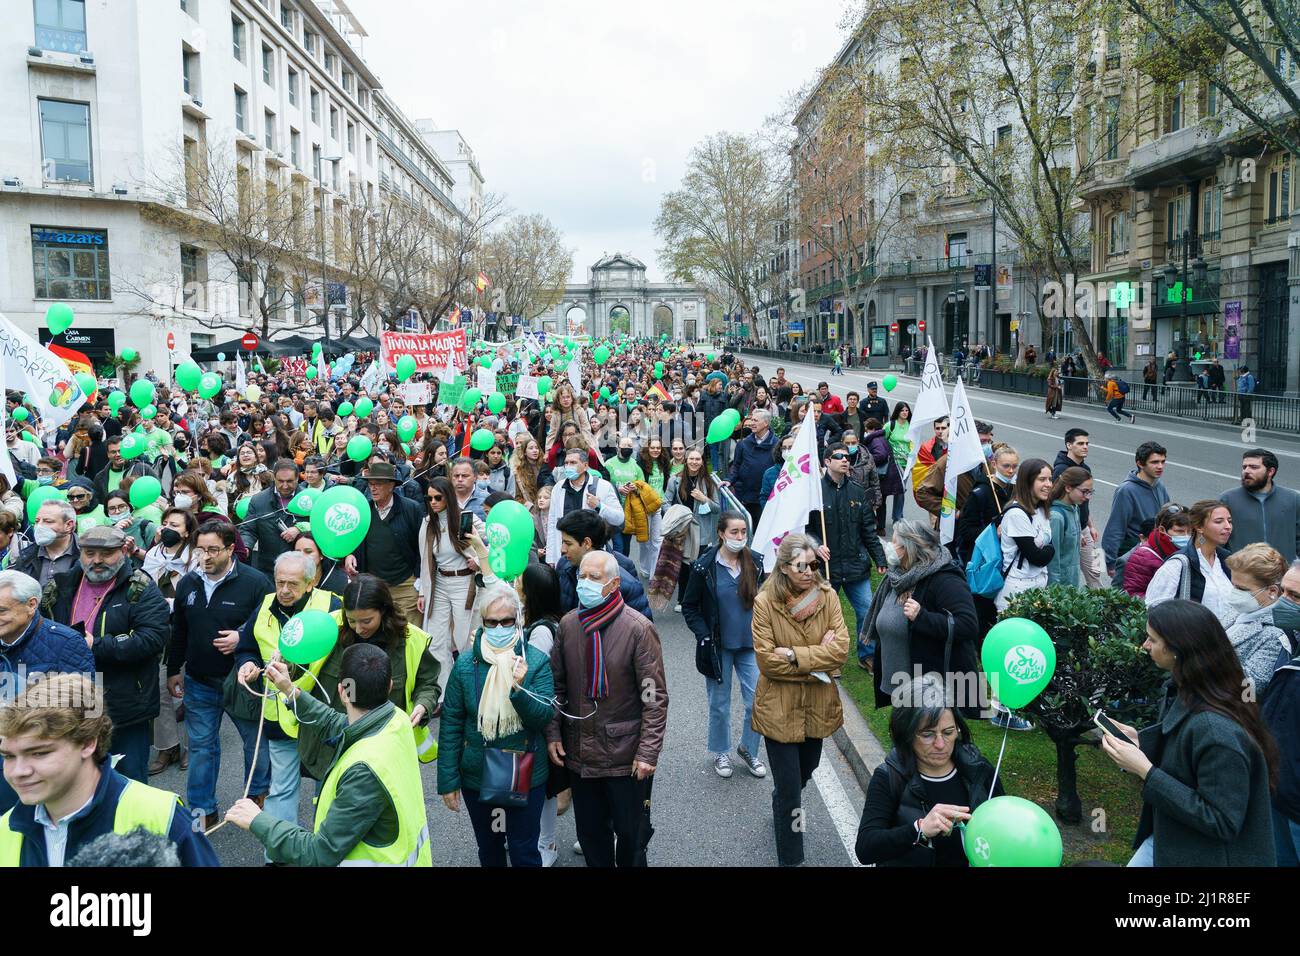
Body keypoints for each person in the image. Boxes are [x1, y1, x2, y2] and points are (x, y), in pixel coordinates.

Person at [1101, 600, 1278, 866]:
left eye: (1152, 639)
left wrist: (1146, 771)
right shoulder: (1195, 691)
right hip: (1174, 840)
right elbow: (1186, 752)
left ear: (1178, 650)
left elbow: (1221, 820)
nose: (1145, 646)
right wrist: (1142, 744)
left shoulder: (1217, 731)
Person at [224, 643, 433, 866]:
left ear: (342, 691)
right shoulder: (396, 718)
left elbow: (320, 853)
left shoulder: (364, 769)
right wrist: (288, 689)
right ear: (389, 686)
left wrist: (257, 820)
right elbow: (336, 722)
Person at [0, 673, 218, 866]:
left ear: (87, 743)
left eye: (39, 753)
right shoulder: (5, 829)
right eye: (9, 756)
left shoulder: (163, 816)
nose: (18, 771)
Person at [547, 550, 667, 868]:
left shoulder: (638, 629)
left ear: (614, 583)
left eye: (594, 578)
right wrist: (553, 732)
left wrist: (648, 753)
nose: (584, 584)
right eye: (580, 577)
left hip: (625, 757)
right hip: (580, 754)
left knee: (631, 835)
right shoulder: (569, 625)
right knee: (591, 836)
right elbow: (556, 686)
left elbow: (653, 698)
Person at [232, 550, 343, 858]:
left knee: (329, 788)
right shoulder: (266, 604)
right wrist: (248, 664)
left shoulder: (333, 606)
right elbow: (247, 646)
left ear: (311, 583)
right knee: (281, 789)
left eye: (292, 584)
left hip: (320, 716)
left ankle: (328, 854)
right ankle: (280, 858)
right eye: (279, 582)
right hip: (278, 715)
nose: (283, 590)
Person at [165, 520, 272, 829]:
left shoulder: (255, 583)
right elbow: (180, 631)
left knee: (255, 744)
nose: (206, 556)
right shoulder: (188, 583)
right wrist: (174, 670)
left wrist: (242, 636)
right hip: (199, 681)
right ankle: (202, 810)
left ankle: (255, 800)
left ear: (229, 549)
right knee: (201, 746)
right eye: (200, 550)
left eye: (213, 549)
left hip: (242, 682)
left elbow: (269, 626)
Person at [436, 585, 554, 867]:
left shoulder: (535, 662)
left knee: (524, 850)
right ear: (483, 623)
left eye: (506, 621)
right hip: (478, 776)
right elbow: (451, 724)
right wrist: (448, 781)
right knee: (489, 850)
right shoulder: (465, 665)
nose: (499, 627)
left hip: (525, 774)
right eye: (492, 622)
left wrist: (520, 690)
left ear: (519, 620)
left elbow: (543, 717)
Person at [41, 525, 169, 784]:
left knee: (128, 781)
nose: (97, 561)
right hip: (73, 704)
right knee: (79, 782)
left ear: (123, 551)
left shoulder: (141, 589)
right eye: (89, 553)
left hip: (124, 705)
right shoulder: (60, 587)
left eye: (106, 553)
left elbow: (152, 638)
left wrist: (95, 645)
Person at [751, 533, 848, 867]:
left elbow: (841, 651)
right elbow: (766, 661)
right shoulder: (765, 602)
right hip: (778, 709)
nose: (809, 572)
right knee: (792, 794)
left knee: (806, 772)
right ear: (784, 568)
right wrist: (817, 658)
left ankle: (781, 800)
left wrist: (793, 654)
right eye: (801, 566)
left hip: (816, 708)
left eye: (813, 565)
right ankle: (792, 859)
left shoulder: (828, 596)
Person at [854, 675, 1003, 866]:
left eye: (948, 732)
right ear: (906, 733)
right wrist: (920, 829)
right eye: (927, 734)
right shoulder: (888, 777)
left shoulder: (979, 770)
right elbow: (866, 848)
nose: (940, 744)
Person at [0, 570, 96, 814]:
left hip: (44, 769)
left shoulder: (66, 643)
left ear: (31, 605)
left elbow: (85, 712)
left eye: (2, 611)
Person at [682, 512, 768, 779]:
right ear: (721, 533)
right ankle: (721, 751)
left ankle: (748, 749)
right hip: (718, 647)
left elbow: (765, 600)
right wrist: (703, 635)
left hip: (750, 645)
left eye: (743, 532)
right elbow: (690, 606)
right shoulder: (703, 567)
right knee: (719, 704)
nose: (740, 537)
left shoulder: (755, 562)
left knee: (757, 701)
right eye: (734, 532)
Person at [863, 518, 980, 705]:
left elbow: (968, 626)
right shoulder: (897, 577)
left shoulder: (945, 579)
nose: (889, 547)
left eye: (895, 542)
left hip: (932, 690)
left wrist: (922, 617)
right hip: (900, 688)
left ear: (910, 547)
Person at [806, 441, 886, 667]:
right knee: (825, 615)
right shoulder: (815, 492)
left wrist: (879, 557)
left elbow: (868, 529)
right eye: (839, 456)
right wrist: (816, 545)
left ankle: (867, 654)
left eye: (847, 457)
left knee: (867, 611)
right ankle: (830, 658)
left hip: (855, 565)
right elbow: (805, 529)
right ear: (827, 461)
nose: (845, 460)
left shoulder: (857, 491)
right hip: (826, 567)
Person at [416, 476, 486, 696]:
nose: (434, 502)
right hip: (439, 584)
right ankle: (442, 693)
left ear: (448, 496)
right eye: (429, 498)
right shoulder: (428, 523)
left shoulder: (468, 518)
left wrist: (479, 561)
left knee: (465, 638)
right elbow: (425, 560)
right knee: (436, 640)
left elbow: (492, 543)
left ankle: (469, 692)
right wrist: (422, 591)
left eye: (438, 497)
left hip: (464, 582)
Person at [342, 461, 426, 627]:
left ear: (391, 486)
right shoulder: (363, 510)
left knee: (409, 633)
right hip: (373, 586)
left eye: (378, 484)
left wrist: (421, 582)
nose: (373, 488)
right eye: (371, 484)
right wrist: (349, 554)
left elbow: (422, 548)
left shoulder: (411, 509)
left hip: (406, 584)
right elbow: (352, 540)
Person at [1261, 559, 1300, 866]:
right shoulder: (1289, 643)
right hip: (1279, 793)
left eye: (1296, 597)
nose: (1284, 602)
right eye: (1282, 592)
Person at [1145, 500, 1235, 619]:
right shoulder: (1177, 565)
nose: (1227, 527)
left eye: (1229, 521)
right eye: (1219, 521)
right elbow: (1155, 608)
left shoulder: (1228, 560)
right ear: (1198, 527)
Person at [554, 510, 653, 617]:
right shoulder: (564, 565)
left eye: (568, 543)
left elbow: (641, 627)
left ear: (587, 543)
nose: (563, 549)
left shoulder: (625, 573)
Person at [1222, 544, 1290, 695]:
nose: (1235, 593)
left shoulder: (1277, 634)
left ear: (1272, 591)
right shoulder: (1241, 610)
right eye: (1234, 586)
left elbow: (1251, 688)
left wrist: (1201, 658)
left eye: (1242, 589)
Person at [663, 447, 723, 608]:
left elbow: (717, 508)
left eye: (698, 459)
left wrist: (704, 499)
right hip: (681, 529)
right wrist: (673, 513)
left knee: (699, 566)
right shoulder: (675, 480)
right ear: (685, 460)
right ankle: (682, 600)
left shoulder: (708, 482)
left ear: (702, 462)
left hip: (701, 531)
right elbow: (665, 501)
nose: (694, 462)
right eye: (691, 459)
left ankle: (698, 598)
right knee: (682, 566)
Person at [544, 446, 624, 565]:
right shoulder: (558, 488)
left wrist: (600, 506)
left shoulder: (603, 486)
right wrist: (551, 558)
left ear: (585, 466)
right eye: (566, 463)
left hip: (592, 555)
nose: (568, 466)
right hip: (566, 555)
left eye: (573, 462)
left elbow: (619, 519)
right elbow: (552, 523)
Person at [994, 459, 1055, 613]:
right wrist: (1051, 550)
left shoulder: (1041, 509)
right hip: (1017, 589)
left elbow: (1045, 551)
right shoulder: (1017, 513)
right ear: (1027, 482)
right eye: (1042, 479)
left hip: (1038, 584)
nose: (1048, 484)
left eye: (1050, 479)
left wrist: (1047, 550)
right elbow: (1036, 557)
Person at [1220, 449, 1300, 563]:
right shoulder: (1227, 499)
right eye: (1244, 467)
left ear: (1270, 471)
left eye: (1253, 467)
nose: (1246, 471)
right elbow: (1217, 539)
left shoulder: (1293, 499)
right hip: (1242, 574)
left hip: (1282, 574)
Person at [1102, 442, 1170, 573]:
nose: (1160, 466)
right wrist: (1110, 562)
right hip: (1135, 553)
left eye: (1163, 461)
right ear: (1140, 463)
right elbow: (1116, 527)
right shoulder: (1126, 490)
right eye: (1154, 462)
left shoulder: (1160, 486)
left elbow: (1168, 519)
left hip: (1157, 552)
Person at [240, 458, 302, 576]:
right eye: (280, 481)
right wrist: (246, 546)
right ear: (274, 478)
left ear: (298, 478)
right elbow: (248, 529)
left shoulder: (307, 500)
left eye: (289, 481)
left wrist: (300, 529)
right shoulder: (258, 500)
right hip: (268, 568)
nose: (284, 486)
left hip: (299, 568)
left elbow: (317, 528)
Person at [1121, 503, 1193, 599]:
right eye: (1179, 531)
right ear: (1162, 530)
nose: (1186, 536)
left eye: (1190, 532)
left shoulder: (1193, 550)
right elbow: (1133, 593)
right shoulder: (1143, 556)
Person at [11, 499, 79, 589]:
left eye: (48, 521)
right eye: (37, 521)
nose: (39, 526)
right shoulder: (26, 556)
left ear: (68, 525)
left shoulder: (85, 555)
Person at [727, 409, 776, 527]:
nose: (752, 423)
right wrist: (729, 480)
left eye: (755, 420)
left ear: (766, 423)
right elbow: (736, 466)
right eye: (752, 420)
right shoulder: (743, 444)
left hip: (767, 497)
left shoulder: (777, 444)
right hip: (746, 496)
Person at [1047, 467, 1092, 587]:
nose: (1088, 497)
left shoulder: (1075, 508)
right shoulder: (1056, 517)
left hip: (1072, 582)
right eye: (1084, 491)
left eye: (1090, 492)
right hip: (1059, 587)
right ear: (1068, 488)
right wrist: (1054, 591)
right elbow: (1053, 560)